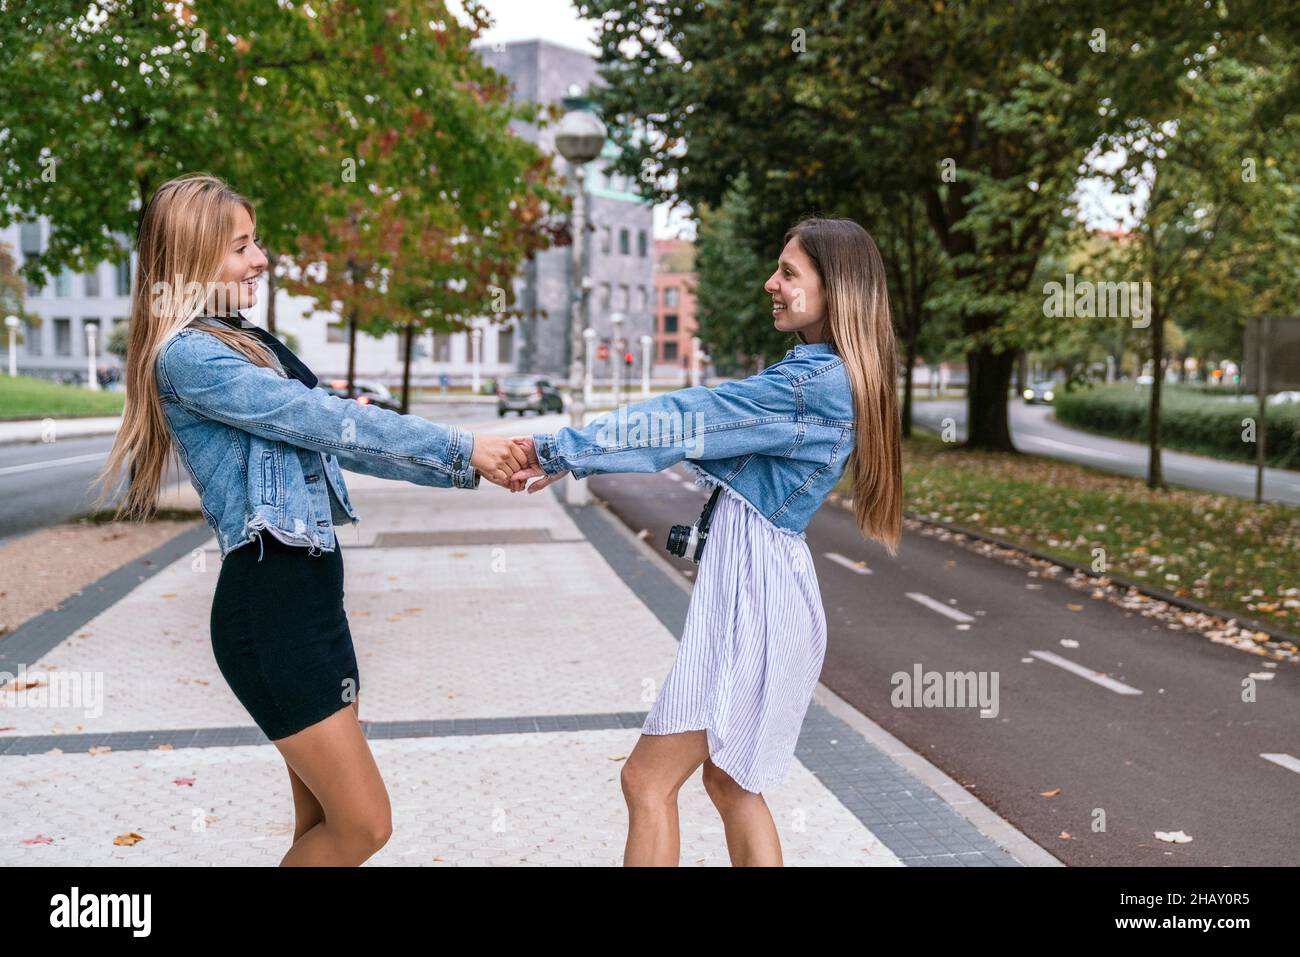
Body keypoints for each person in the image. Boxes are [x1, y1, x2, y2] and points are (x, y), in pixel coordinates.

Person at [96, 173, 527, 866]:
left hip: (311, 600)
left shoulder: (243, 343)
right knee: (364, 825)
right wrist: (463, 445)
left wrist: (474, 463)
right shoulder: (191, 358)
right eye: (242, 246)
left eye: (255, 241)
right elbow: (332, 419)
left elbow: (343, 441)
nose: (262, 257)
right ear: (190, 257)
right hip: (270, 612)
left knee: (322, 826)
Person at [509, 217, 903, 866]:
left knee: (647, 779)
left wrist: (564, 449)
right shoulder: (824, 375)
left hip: (753, 602)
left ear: (836, 289)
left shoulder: (810, 386)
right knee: (730, 783)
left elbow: (687, 419)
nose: (769, 282)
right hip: (765, 592)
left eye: (789, 273)